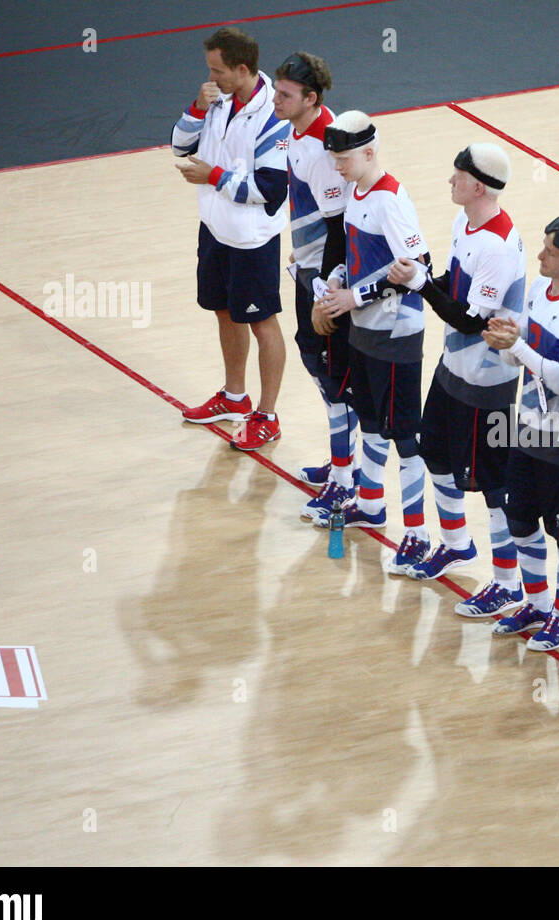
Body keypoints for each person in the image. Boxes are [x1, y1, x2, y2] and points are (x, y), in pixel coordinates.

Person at [387, 144, 527, 618]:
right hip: (454, 370)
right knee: (436, 454)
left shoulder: (498, 245)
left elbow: (470, 319)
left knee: (493, 484)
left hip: (488, 385)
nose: (450, 181)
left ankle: (509, 584)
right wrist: (426, 276)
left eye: (458, 175)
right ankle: (456, 543)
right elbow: (455, 282)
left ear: (479, 186)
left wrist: (420, 285)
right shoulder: (466, 225)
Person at [313, 111, 432, 571]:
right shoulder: (356, 192)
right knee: (371, 420)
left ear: (368, 152)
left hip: (397, 333)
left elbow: (417, 266)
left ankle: (418, 533)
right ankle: (371, 502)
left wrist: (355, 295)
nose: (337, 167)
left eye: (343, 158)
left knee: (405, 435)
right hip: (366, 329)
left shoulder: (391, 200)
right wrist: (337, 279)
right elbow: (358, 254)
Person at [481, 217, 559, 651]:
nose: (540, 256)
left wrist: (517, 348)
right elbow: (526, 359)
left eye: (550, 251)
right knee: (519, 519)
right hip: (529, 429)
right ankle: (536, 603)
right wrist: (508, 342)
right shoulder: (539, 289)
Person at [172, 27, 290, 451]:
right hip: (215, 228)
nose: (211, 78)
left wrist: (213, 176)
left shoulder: (273, 115)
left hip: (252, 239)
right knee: (223, 311)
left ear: (243, 69)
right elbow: (179, 144)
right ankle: (235, 397)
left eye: (217, 71)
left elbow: (272, 189)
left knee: (261, 322)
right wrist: (198, 106)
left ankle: (268, 415)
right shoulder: (217, 99)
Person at [270, 52, 356, 518]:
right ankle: (345, 463)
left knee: (333, 376)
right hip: (308, 267)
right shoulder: (298, 130)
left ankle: (347, 478)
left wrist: (323, 284)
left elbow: (338, 227)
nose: (276, 100)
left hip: (325, 277)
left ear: (311, 98)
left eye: (285, 95)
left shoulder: (326, 145)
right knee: (320, 368)